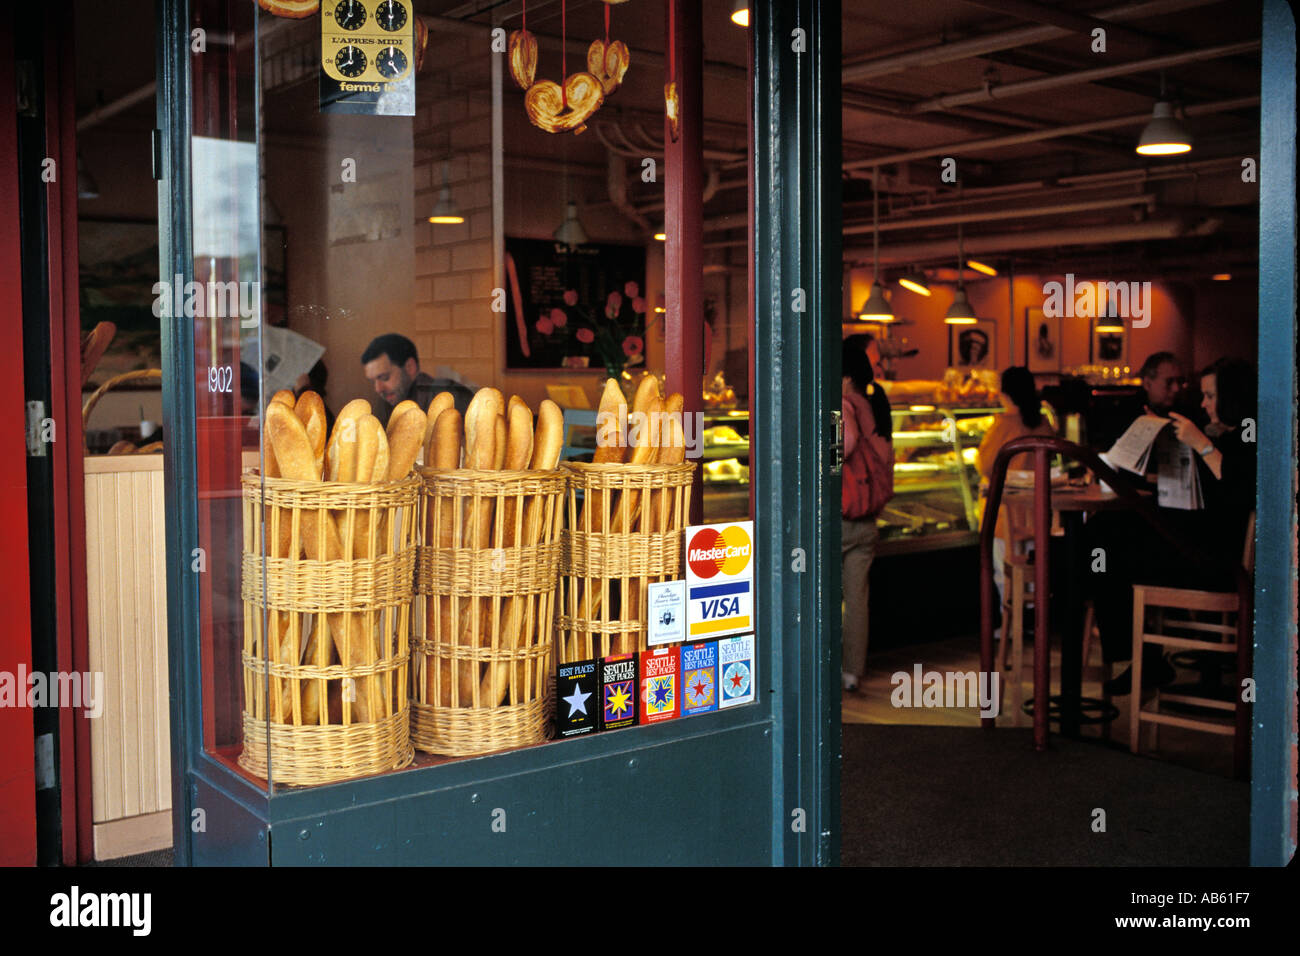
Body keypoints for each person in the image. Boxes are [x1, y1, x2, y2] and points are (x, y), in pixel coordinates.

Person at [1089, 358, 1257, 695]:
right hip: (1203, 548)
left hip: (1218, 564)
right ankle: (1143, 655)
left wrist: (1202, 444)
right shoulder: (1235, 435)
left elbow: (1238, 488)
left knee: (1105, 547)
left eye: (1211, 396)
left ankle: (1139, 656)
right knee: (1104, 534)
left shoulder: (1249, 437)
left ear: (1232, 398)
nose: (1203, 403)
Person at [975, 367, 1056, 628]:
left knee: (1005, 571)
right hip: (1037, 510)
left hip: (1004, 513)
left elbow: (985, 464)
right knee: (1033, 570)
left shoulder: (1003, 424)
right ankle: (1034, 621)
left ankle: (1011, 624)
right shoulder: (1042, 421)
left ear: (1004, 392)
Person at [840, 344, 894, 695]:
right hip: (869, 520)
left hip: (840, 517)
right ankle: (852, 672)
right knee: (857, 597)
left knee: (823, 595)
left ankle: (822, 664)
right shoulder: (877, 405)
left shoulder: (844, 405)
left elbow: (841, 448)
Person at [361, 333, 473, 424]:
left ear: (410, 367)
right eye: (373, 381)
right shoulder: (386, 404)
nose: (378, 389)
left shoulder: (452, 397)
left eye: (385, 377)